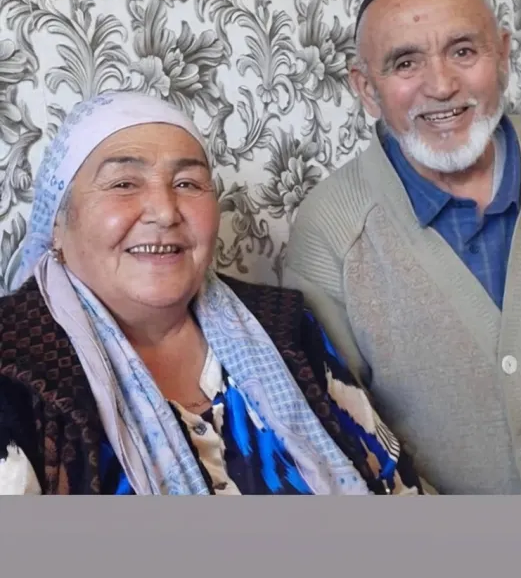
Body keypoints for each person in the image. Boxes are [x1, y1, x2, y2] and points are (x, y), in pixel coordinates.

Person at [0, 91, 425, 496]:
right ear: (58, 224)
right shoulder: (14, 367)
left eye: (187, 183)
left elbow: (393, 484)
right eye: (124, 184)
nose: (165, 212)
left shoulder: (284, 324)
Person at [285, 0, 521, 496]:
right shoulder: (330, 228)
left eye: (463, 51)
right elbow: (347, 440)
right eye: (405, 63)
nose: (441, 86)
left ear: (503, 55)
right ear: (366, 88)